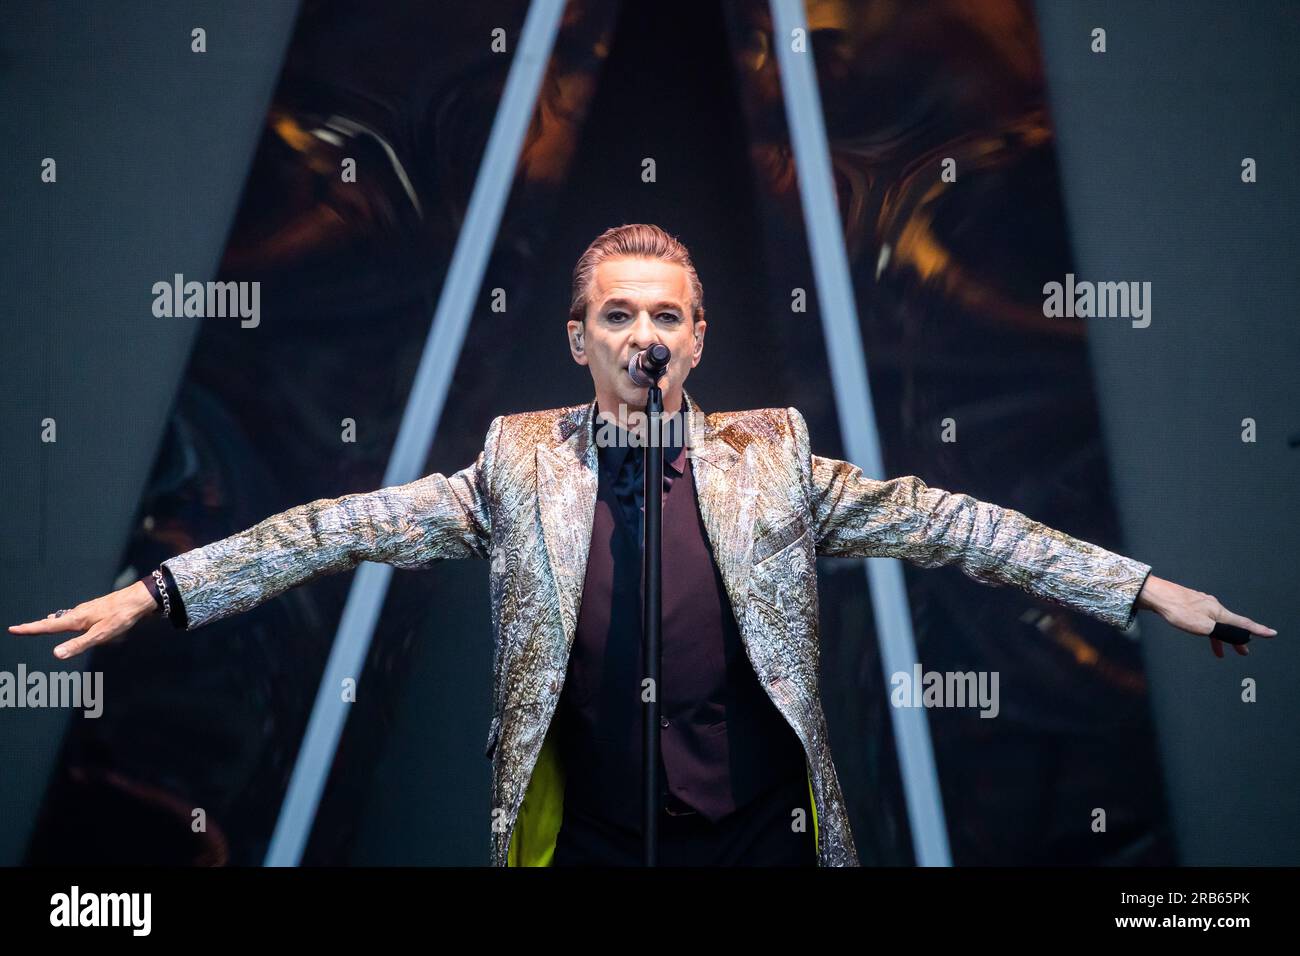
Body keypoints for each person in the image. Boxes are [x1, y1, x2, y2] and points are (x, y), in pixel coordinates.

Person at [9, 223, 1277, 867]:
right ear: (577, 338)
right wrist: (159, 592)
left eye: (662, 313)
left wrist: (1148, 589)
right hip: (595, 836)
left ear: (699, 336)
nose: (639, 333)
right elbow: (332, 529)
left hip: (758, 832)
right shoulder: (518, 461)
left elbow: (963, 525)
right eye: (615, 313)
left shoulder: (770, 453)